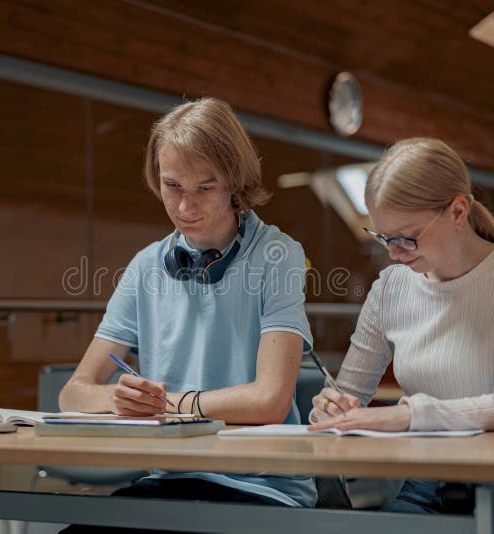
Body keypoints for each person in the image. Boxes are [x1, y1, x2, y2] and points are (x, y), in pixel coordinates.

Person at [57, 97, 316, 533]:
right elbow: (73, 394)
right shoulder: (145, 265)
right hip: (172, 481)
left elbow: (269, 401)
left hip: (263, 489)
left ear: (235, 182)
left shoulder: (277, 254)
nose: (184, 207)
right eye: (172, 186)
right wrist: (120, 402)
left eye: (205, 187)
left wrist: (169, 406)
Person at [308, 137, 494, 533]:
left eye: (407, 237)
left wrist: (412, 415)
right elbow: (347, 395)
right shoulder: (390, 288)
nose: (394, 254)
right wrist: (330, 407)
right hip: (425, 493)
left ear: (457, 211)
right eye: (383, 238)